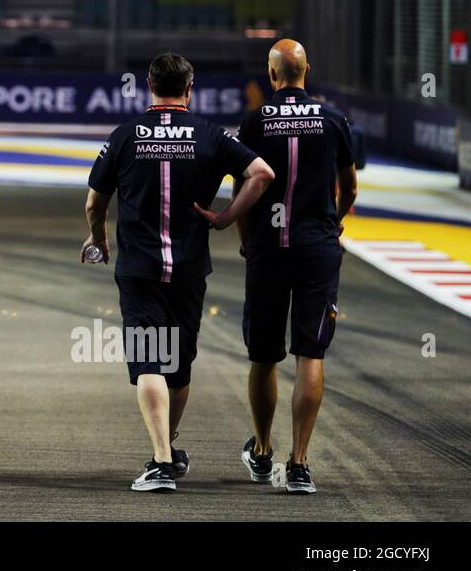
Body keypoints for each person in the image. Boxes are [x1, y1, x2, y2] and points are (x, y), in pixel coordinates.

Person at [84, 53, 274, 492]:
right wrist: (226, 218)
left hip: (139, 267)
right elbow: (261, 173)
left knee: (149, 360)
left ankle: (161, 461)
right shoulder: (211, 134)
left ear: (149, 84)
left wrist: (99, 239)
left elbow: (95, 202)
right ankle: (165, 450)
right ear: (190, 89)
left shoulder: (125, 135)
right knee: (179, 365)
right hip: (188, 267)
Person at [233, 39, 357, 495]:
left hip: (267, 247)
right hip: (316, 248)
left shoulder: (253, 122)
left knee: (264, 355)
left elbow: (243, 195)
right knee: (311, 352)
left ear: (271, 74)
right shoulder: (333, 119)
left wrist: (249, 243)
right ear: (309, 70)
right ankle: (300, 464)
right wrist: (330, 227)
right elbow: (350, 188)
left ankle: (263, 453)